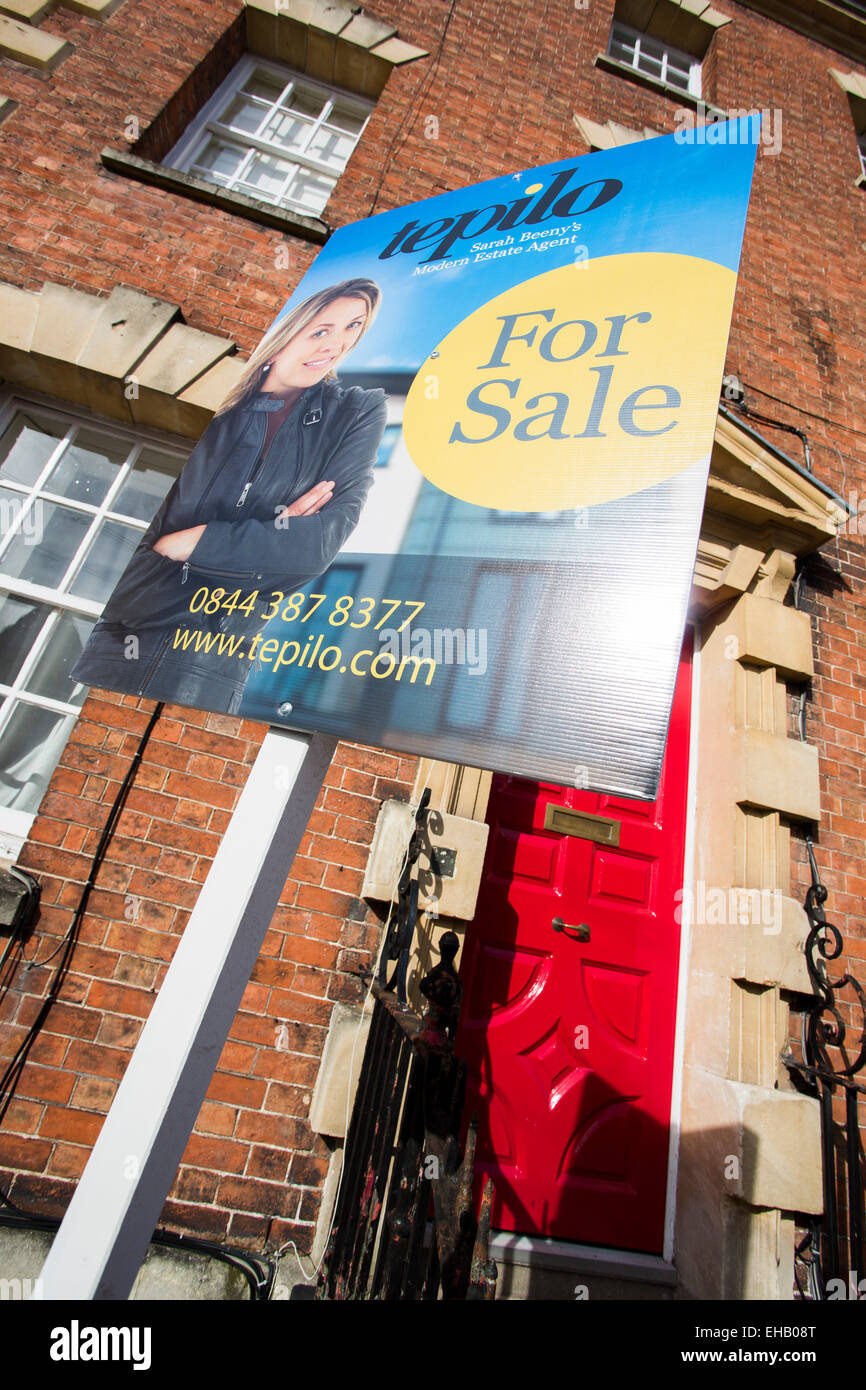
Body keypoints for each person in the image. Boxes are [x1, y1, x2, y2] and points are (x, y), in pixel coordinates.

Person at [71, 278, 386, 714]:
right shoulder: (220, 411)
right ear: (281, 337)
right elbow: (128, 576)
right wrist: (260, 547)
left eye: (353, 326)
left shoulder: (355, 410)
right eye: (320, 331)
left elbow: (313, 549)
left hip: (212, 666)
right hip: (118, 646)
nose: (337, 345)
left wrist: (190, 542)